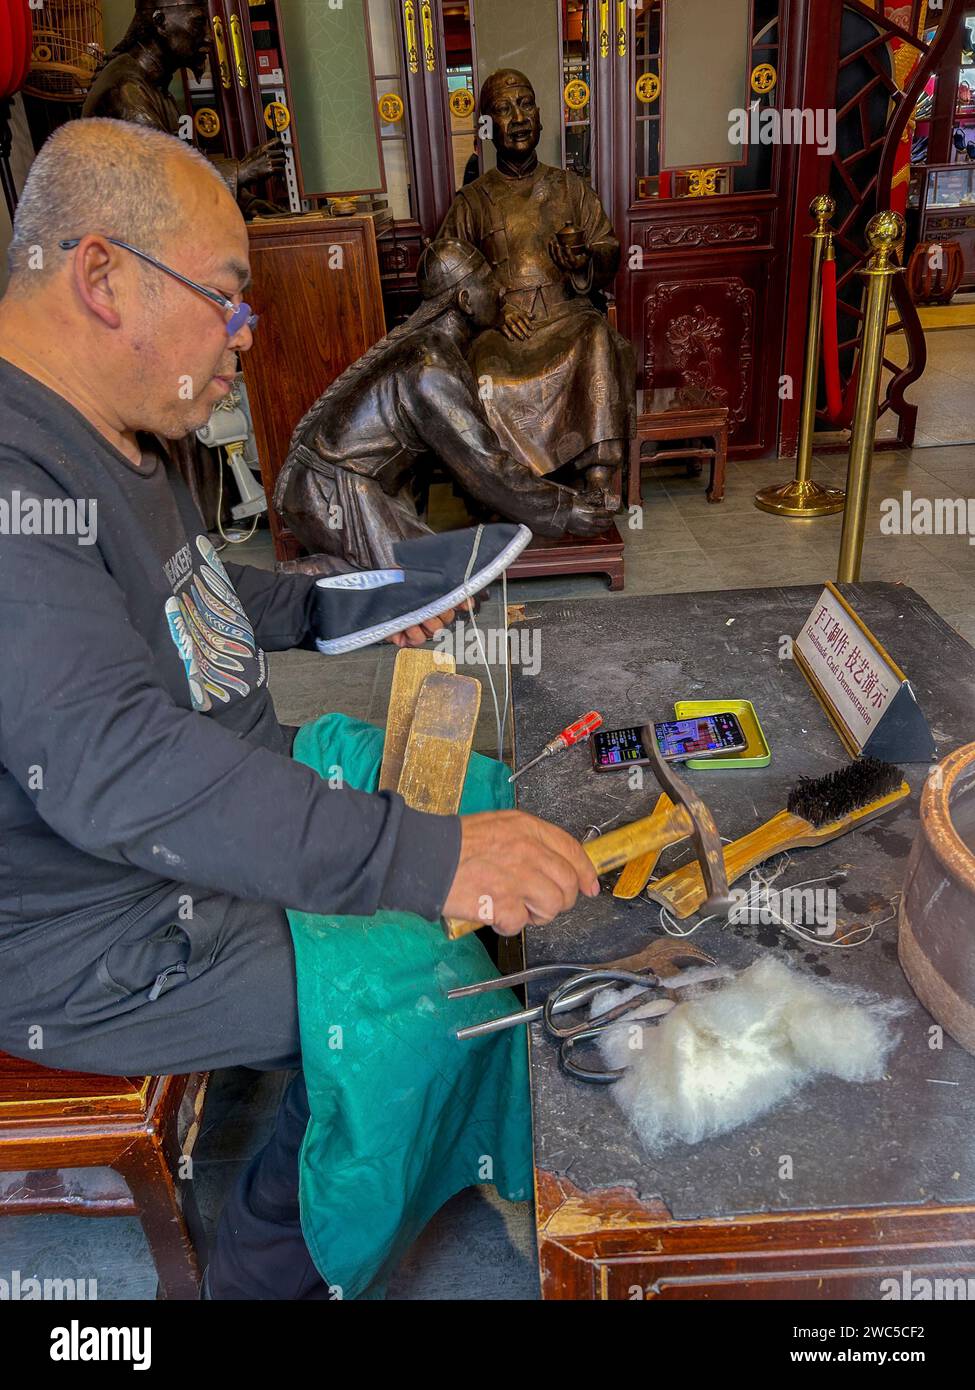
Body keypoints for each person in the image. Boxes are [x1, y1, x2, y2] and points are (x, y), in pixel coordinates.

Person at [0, 118, 599, 1298]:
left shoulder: (124, 432)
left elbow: (198, 596)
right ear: (103, 275)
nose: (244, 336)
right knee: (433, 1003)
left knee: (477, 786)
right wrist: (420, 863)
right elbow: (118, 766)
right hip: (99, 935)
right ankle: (271, 1269)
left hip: (194, 828)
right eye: (226, 298)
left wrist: (344, 606)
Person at [275, 237, 614, 572]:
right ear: (465, 300)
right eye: (489, 281)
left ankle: (328, 573)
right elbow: (486, 470)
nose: (500, 291)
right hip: (334, 495)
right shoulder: (431, 368)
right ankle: (303, 581)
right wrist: (565, 508)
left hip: (343, 487)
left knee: (446, 586)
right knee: (425, 590)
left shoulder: (433, 349)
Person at [439, 68, 635, 510]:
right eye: (505, 110)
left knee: (598, 338)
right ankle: (503, 490)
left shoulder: (570, 187)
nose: (519, 117)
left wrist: (584, 260)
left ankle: (599, 476)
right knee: (485, 376)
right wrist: (495, 307)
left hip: (568, 315)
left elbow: (608, 248)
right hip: (506, 329)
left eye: (526, 104)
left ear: (541, 116)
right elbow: (450, 276)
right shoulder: (471, 200)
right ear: (488, 126)